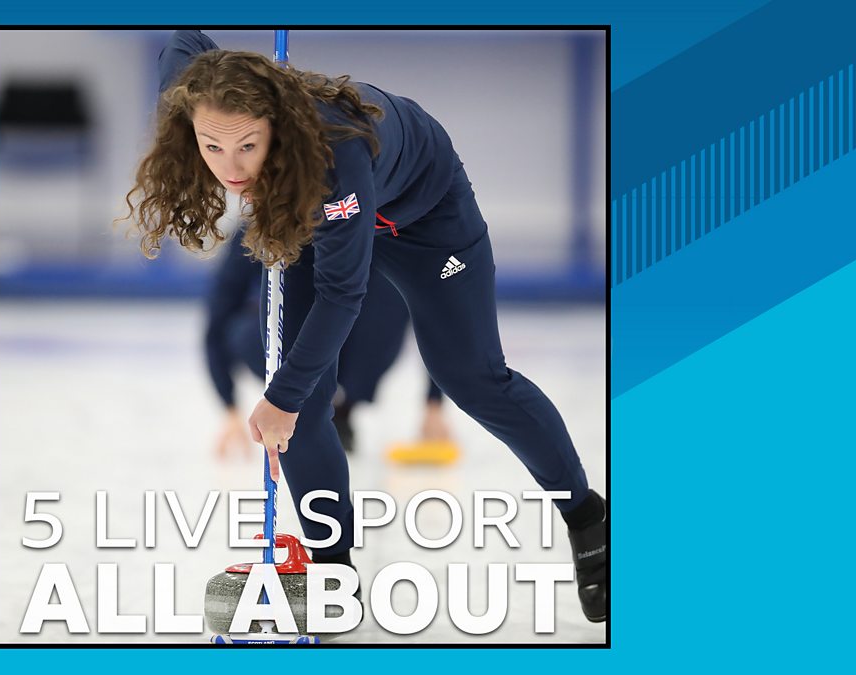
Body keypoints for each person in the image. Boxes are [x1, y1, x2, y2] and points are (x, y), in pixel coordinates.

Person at [125, 30, 607, 623]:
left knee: (472, 377)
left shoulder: (335, 151)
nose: (232, 168)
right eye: (213, 147)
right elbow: (181, 37)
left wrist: (279, 400)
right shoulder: (190, 93)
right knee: (297, 389)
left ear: (275, 124)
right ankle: (336, 572)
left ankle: (587, 515)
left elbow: (343, 293)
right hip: (308, 210)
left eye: (249, 145)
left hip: (425, 220)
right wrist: (288, 397)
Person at [205, 219, 455, 457]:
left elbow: (431, 312)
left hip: (360, 350)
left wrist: (433, 405)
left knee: (388, 289)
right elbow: (218, 318)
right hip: (293, 353)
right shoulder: (262, 223)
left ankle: (326, 403)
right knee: (253, 324)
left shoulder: (387, 223)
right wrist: (230, 409)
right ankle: (306, 402)